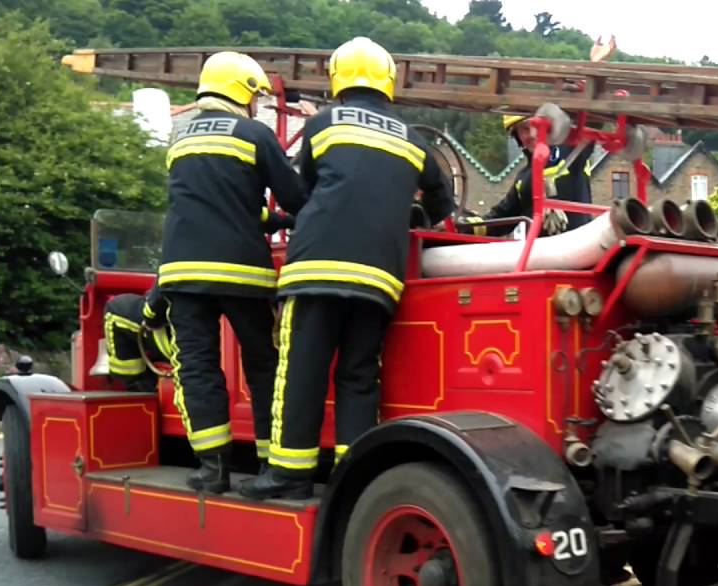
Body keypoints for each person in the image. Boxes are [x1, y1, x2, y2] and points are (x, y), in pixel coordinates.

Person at [238, 37, 455, 500]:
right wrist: (412, 216)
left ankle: (289, 476)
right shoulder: (413, 140)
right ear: (388, 81)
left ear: (338, 79)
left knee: (303, 371)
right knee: (358, 377)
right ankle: (351, 482)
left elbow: (303, 193)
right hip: (379, 279)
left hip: (317, 269)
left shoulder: (323, 124)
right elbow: (443, 200)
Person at [157, 51, 307, 494]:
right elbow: (294, 195)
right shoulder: (254, 134)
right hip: (241, 271)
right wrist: (298, 215)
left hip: (183, 270)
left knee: (197, 367)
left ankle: (212, 470)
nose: (256, 105)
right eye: (254, 96)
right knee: (262, 365)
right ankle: (268, 465)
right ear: (242, 91)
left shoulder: (180, 138)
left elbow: (210, 201)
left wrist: (268, 219)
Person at [464, 35, 618, 238]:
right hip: (539, 254)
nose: (532, 134)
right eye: (523, 129)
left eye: (534, 125)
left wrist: (595, 65)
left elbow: (591, 116)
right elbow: (499, 219)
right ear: (516, 137)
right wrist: (460, 226)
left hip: (579, 250)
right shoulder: (523, 180)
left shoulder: (571, 150)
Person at [101, 287, 172, 394]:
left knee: (115, 309)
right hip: (196, 344)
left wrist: (150, 318)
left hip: (180, 346)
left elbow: (155, 306)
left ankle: (137, 385)